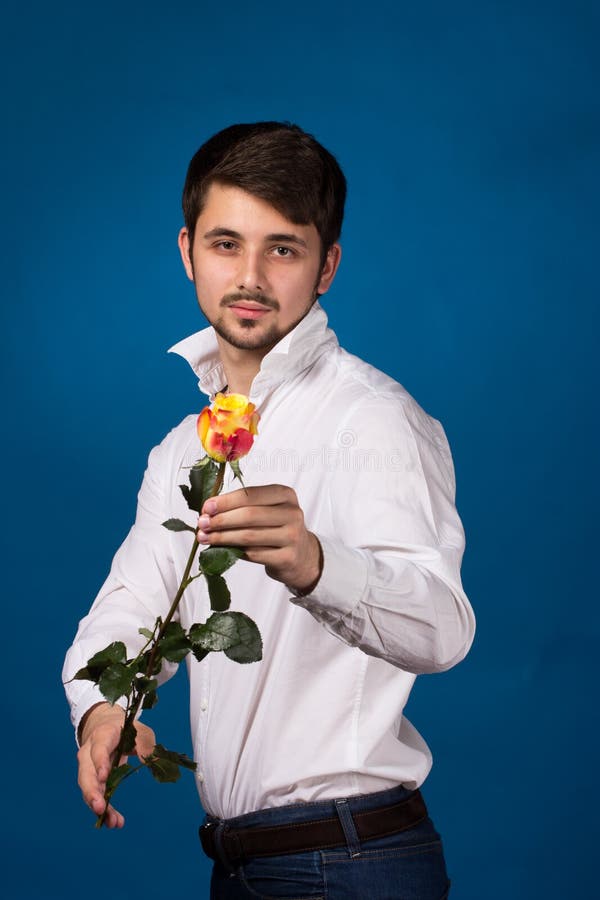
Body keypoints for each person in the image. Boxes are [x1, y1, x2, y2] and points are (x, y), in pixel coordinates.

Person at [63, 121, 475, 899]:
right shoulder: (182, 449)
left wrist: (319, 566)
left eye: (283, 249)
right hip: (242, 866)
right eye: (226, 244)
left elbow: (445, 628)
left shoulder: (372, 418)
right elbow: (129, 612)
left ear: (326, 268)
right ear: (187, 252)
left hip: (351, 862)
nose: (250, 275)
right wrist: (103, 710)